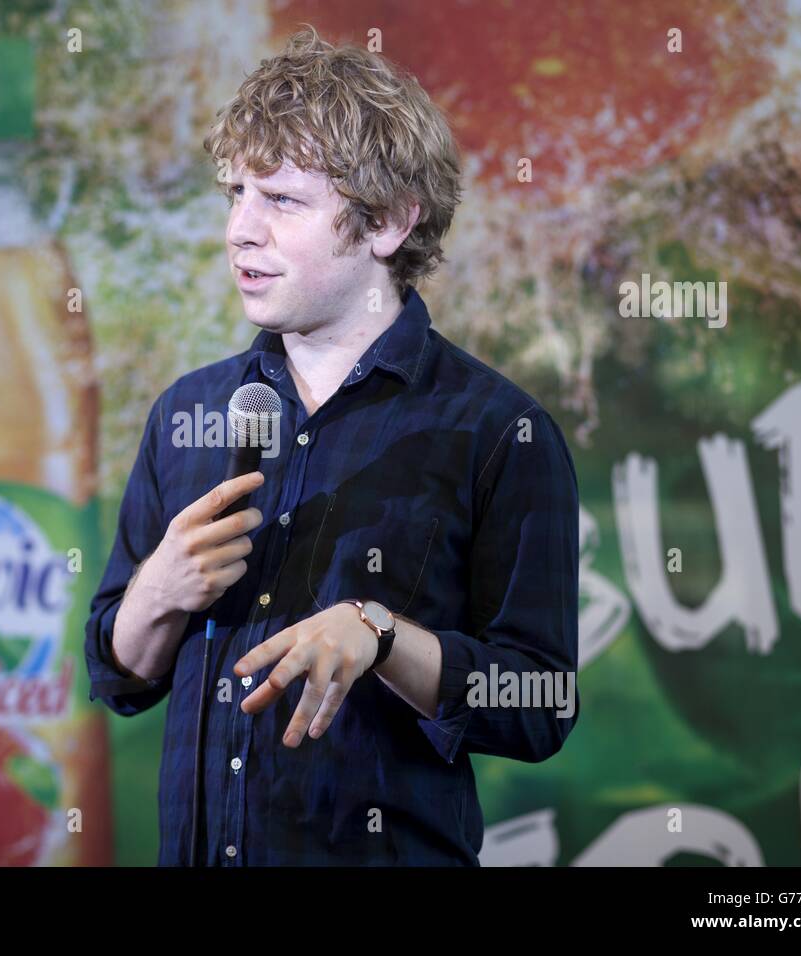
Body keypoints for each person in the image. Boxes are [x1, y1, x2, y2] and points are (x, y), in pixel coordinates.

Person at [84, 24, 579, 866]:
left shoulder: (498, 432)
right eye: (234, 193)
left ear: (386, 223)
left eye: (280, 201)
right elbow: (118, 675)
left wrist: (381, 635)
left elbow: (538, 704)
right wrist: (156, 593)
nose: (240, 229)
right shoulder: (188, 412)